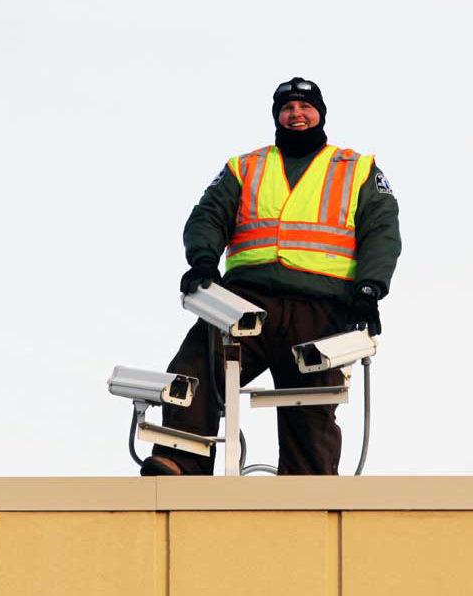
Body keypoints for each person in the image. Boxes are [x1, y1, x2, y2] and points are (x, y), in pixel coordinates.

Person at [140, 77, 401, 476]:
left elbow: (381, 231)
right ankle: (180, 461)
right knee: (197, 368)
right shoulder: (246, 167)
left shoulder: (356, 169)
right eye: (287, 108)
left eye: (305, 107)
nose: (296, 114)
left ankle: (308, 489)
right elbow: (208, 215)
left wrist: (369, 290)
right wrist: (204, 262)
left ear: (320, 113)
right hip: (247, 302)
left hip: (321, 306)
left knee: (311, 402)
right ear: (277, 115)